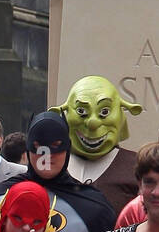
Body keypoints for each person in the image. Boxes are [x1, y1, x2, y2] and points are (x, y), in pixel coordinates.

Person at [59, 76, 141, 213]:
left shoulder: (138, 166)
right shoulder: (52, 166)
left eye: (104, 112)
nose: (92, 123)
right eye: (81, 112)